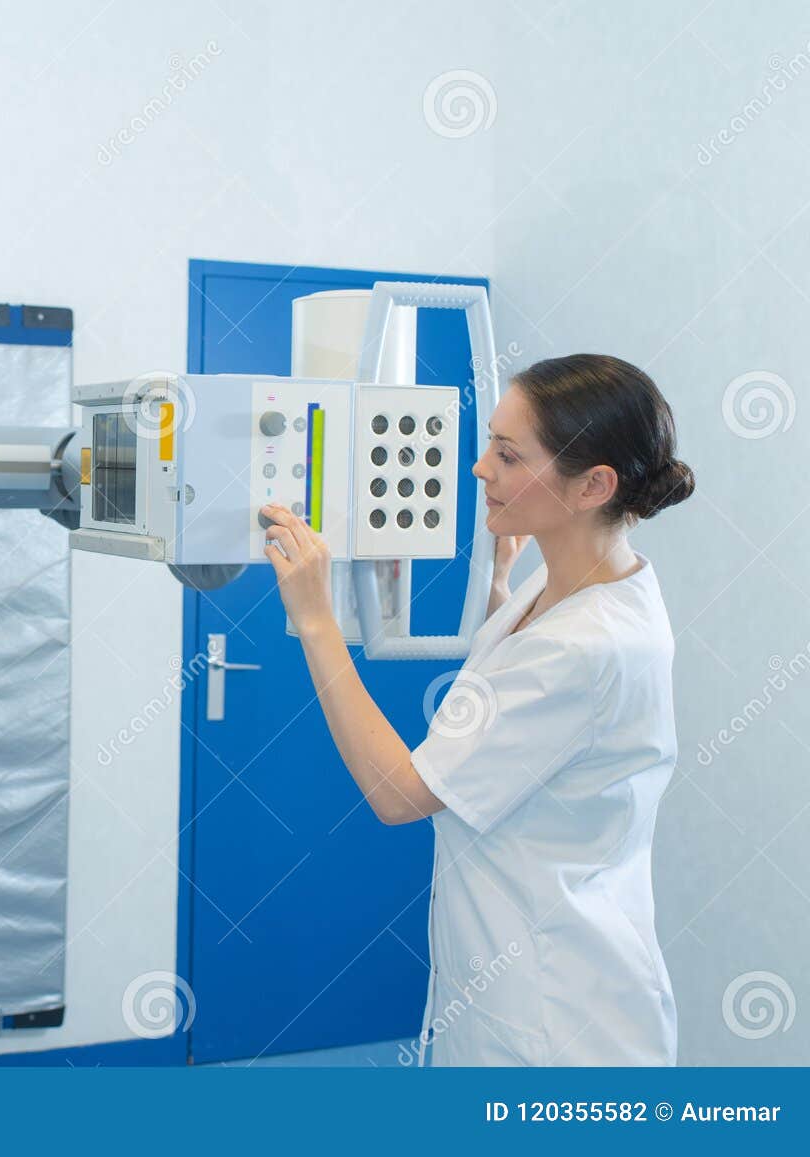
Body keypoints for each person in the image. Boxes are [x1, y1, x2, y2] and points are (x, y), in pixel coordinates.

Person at [261, 353, 694, 1065]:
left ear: (593, 485)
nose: (479, 468)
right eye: (490, 443)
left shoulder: (585, 645)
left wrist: (316, 619)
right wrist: (499, 587)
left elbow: (400, 794)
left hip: (558, 1024)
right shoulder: (583, 587)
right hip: (522, 981)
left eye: (508, 455)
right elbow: (531, 710)